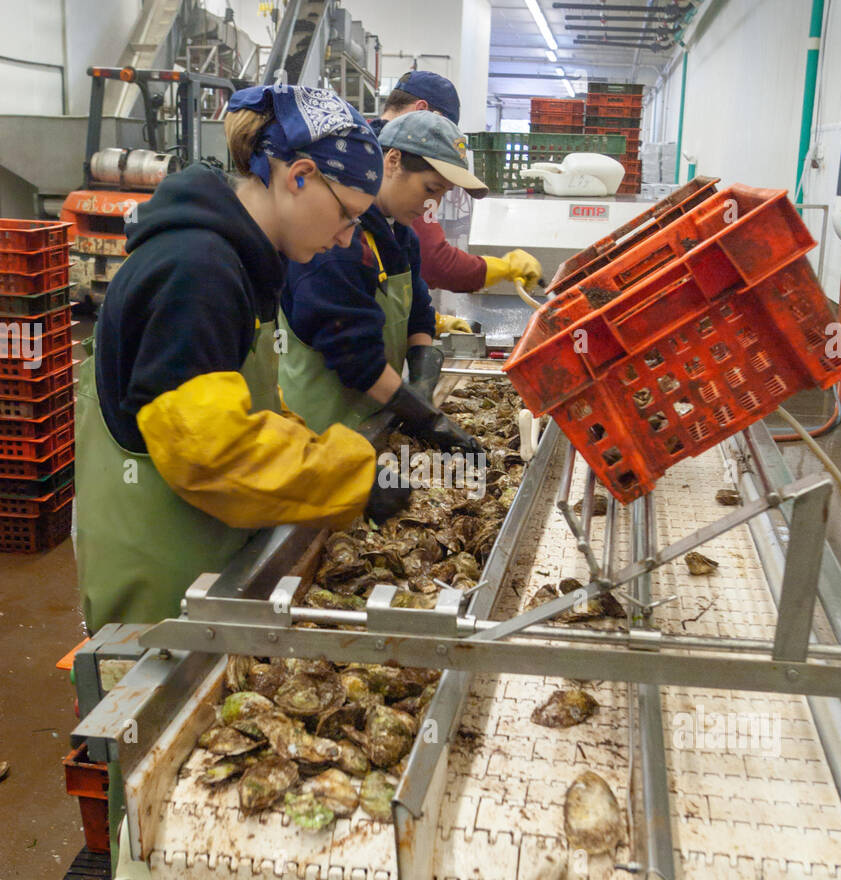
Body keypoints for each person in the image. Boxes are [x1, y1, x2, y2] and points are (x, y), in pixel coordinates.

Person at [75, 83, 410, 637]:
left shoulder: (237, 259)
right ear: (298, 176)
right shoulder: (197, 269)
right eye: (349, 216)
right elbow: (212, 453)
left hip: (203, 564)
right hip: (160, 597)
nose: (350, 240)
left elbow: (252, 405)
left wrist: (324, 455)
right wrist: (353, 476)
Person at [278, 110, 489, 439]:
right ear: (392, 161)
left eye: (443, 193)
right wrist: (427, 419)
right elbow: (353, 355)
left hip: (370, 424)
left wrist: (423, 380)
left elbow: (418, 313)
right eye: (430, 188)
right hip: (316, 434)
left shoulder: (402, 237)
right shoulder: (334, 243)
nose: (432, 203)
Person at [371, 70, 542, 303]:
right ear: (422, 112)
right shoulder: (402, 176)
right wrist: (502, 268)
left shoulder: (367, 147)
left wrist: (428, 324)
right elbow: (433, 261)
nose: (433, 201)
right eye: (432, 189)